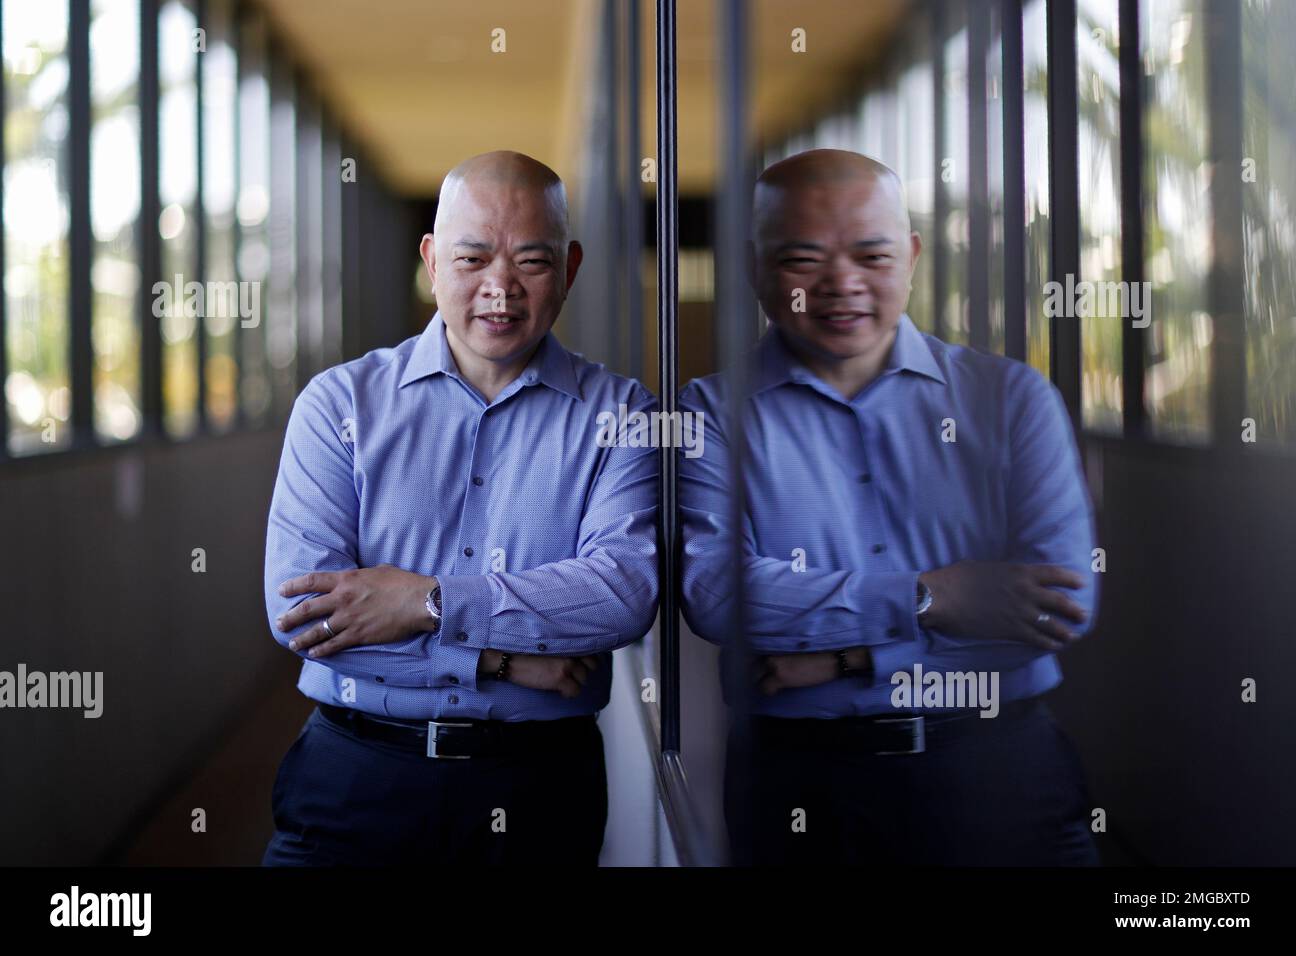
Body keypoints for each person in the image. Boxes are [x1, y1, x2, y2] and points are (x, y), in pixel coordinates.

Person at [679, 148, 1101, 865]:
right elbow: (721, 598)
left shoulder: (1010, 400)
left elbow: (1060, 604)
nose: (841, 284)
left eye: (871, 255)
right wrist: (938, 597)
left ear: (909, 256)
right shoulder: (711, 414)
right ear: (755, 267)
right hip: (801, 787)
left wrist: (842, 656)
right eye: (802, 259)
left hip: (1001, 770)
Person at [261, 150, 659, 865]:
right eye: (472, 258)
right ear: (432, 260)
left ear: (568, 269)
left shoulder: (625, 415)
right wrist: (503, 664)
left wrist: (428, 602)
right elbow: (305, 617)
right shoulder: (338, 406)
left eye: (530, 262)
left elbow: (621, 594)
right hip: (353, 778)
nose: (499, 288)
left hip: (537, 790)